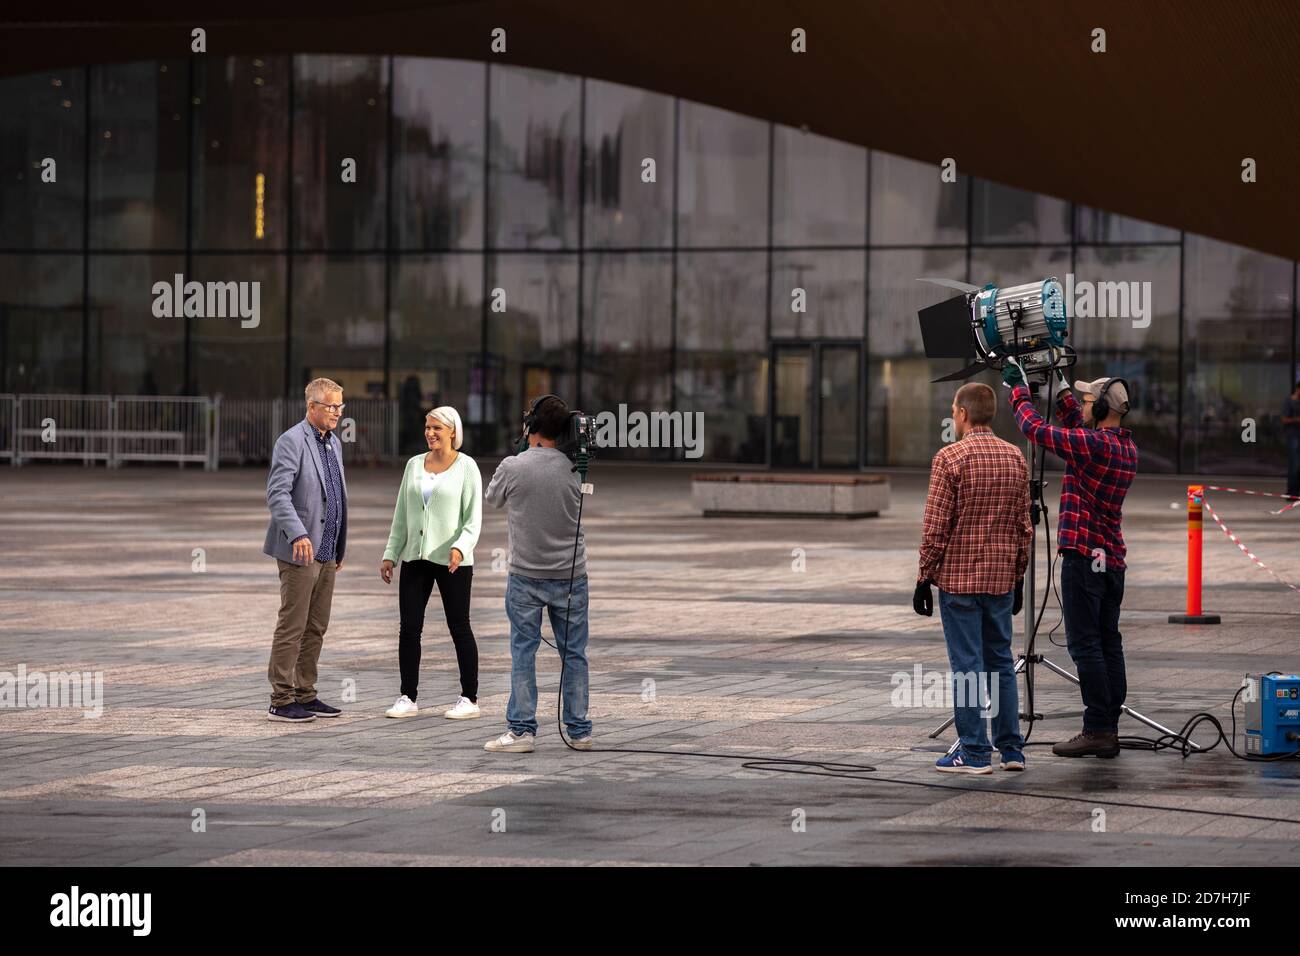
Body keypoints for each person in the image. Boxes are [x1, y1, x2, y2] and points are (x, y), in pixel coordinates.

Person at [1003, 362, 1137, 758]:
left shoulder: (1093, 446)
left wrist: (1019, 391)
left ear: (1099, 411)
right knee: (1108, 641)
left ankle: (1097, 727)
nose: (1082, 405)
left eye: (1087, 401)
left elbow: (1036, 431)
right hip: (1111, 560)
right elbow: (1075, 426)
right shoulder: (1123, 445)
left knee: (1085, 645)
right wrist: (1059, 383)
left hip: (1083, 557)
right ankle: (1108, 725)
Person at [915, 382, 1032, 775]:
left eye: (953, 409)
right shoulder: (1015, 457)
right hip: (1000, 580)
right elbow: (1023, 526)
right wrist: (1018, 575)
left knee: (967, 664)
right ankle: (1011, 749)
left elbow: (936, 527)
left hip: (959, 580)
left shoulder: (950, 458)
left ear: (963, 414)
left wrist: (923, 577)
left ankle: (975, 752)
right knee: (1000, 661)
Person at [481, 395, 592, 753]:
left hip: (526, 575)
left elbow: (493, 498)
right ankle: (578, 730)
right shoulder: (577, 466)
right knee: (574, 654)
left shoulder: (513, 467)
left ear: (531, 426)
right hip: (572, 575)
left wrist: (518, 452)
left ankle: (522, 731)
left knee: (523, 652)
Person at [380, 406, 483, 720]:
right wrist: (390, 553)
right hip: (415, 557)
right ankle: (407, 696)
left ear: (453, 431)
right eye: (427, 427)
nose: (430, 433)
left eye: (437, 428)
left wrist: (460, 548)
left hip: (452, 560)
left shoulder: (467, 467)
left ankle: (469, 697)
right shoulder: (413, 465)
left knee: (459, 627)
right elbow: (401, 516)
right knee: (409, 628)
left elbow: (472, 518)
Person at [263, 378, 349, 723]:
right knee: (293, 625)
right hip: (300, 550)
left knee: (316, 626)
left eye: (340, 407)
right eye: (331, 406)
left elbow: (335, 495)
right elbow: (277, 494)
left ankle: (306, 693)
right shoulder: (291, 441)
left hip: (327, 550)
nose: (337, 413)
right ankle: (281, 698)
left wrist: (339, 543)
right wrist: (298, 534)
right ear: (311, 406)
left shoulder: (333, 444)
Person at [1283, 380, 1300, 500]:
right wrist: (1297, 419)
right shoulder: (1290, 401)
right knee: (1294, 465)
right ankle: (1292, 492)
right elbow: (1284, 419)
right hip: (1293, 435)